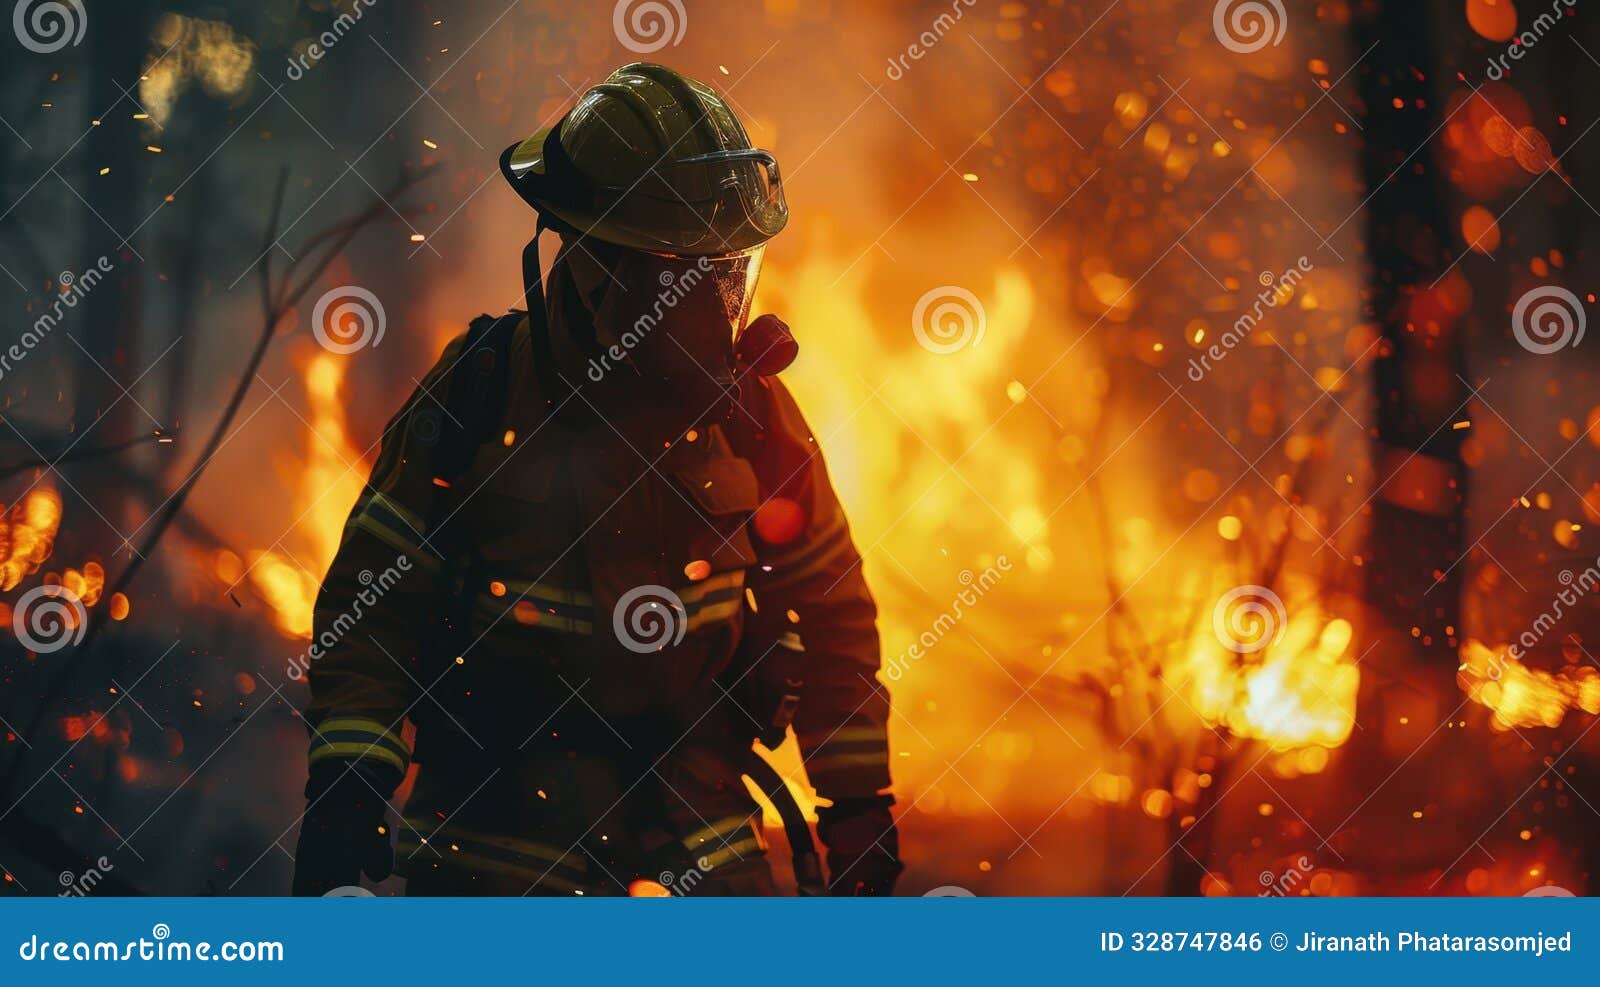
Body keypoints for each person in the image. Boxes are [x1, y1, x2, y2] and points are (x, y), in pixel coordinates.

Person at [291, 63, 901, 896]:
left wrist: (860, 803)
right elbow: (373, 610)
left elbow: (832, 609)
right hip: (497, 845)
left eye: (725, 273)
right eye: (676, 273)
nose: (710, 305)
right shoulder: (476, 393)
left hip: (702, 834)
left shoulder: (754, 416)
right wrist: (346, 787)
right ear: (588, 264)